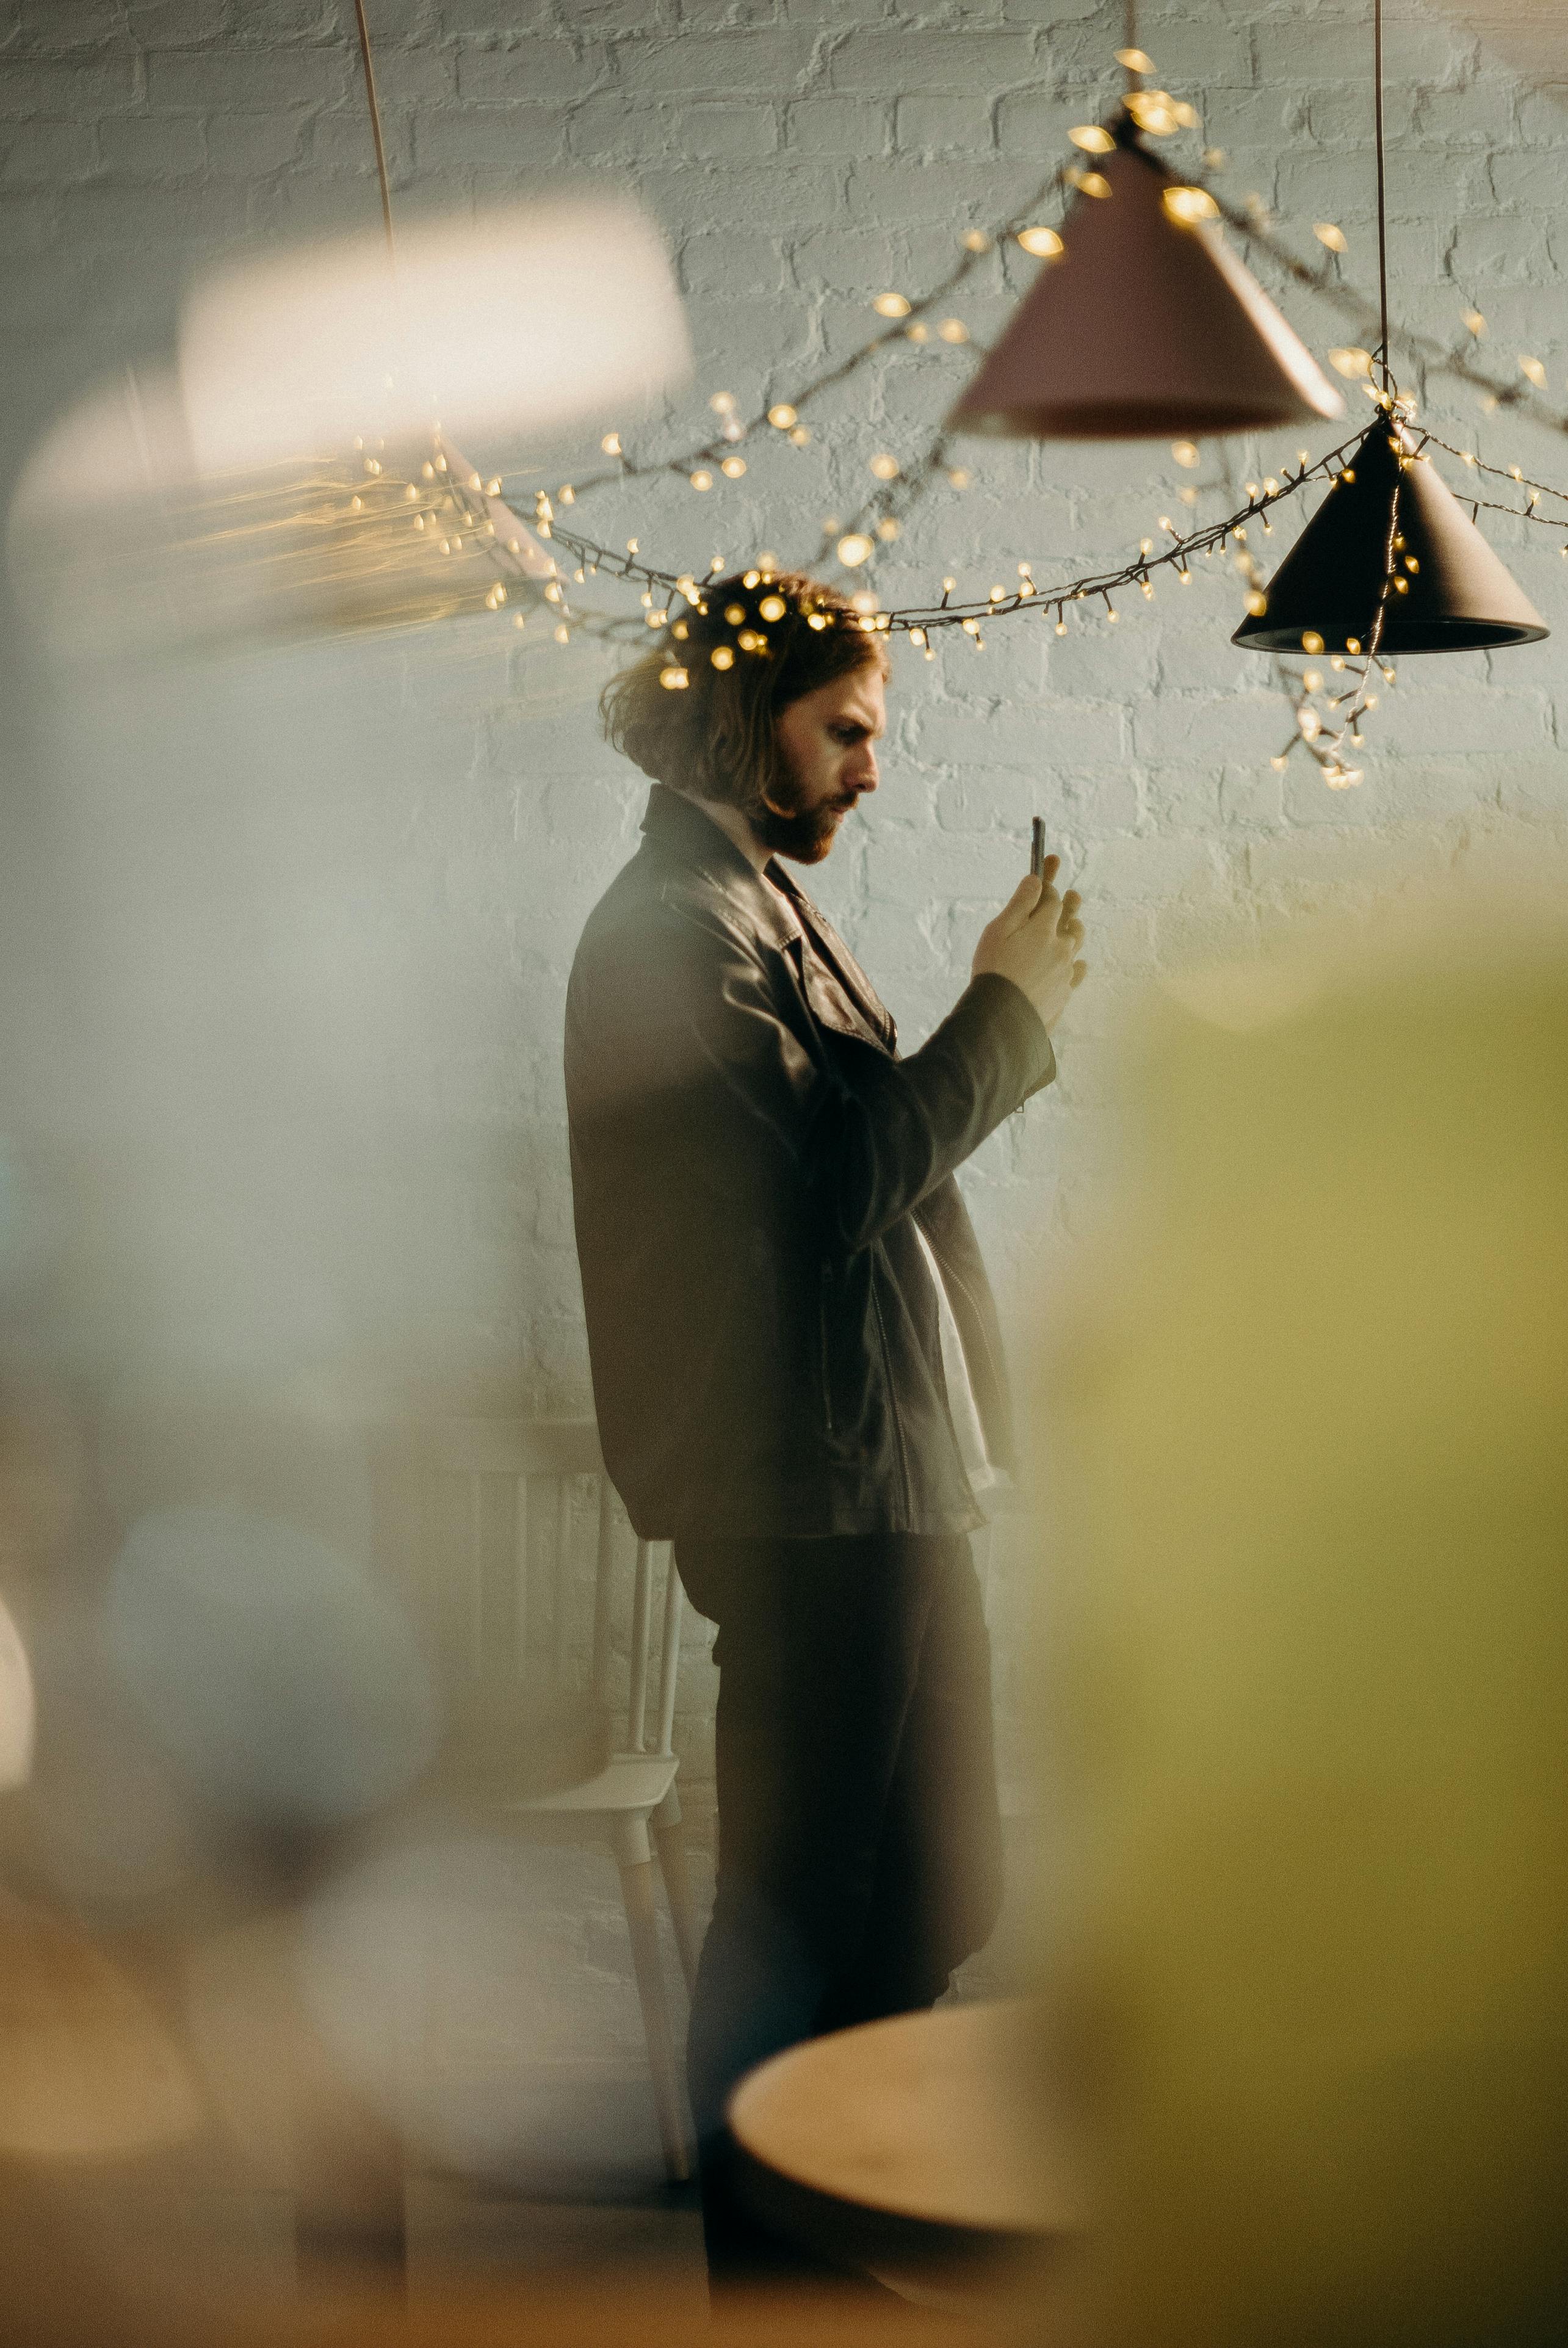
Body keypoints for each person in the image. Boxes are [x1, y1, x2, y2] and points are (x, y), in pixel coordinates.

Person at [563, 568, 1086, 2284]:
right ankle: (779, 2283)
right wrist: (1007, 1009)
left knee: (936, 1889)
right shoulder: (671, 931)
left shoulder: (755, 910)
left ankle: (834, 2234)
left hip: (890, 1484)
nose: (871, 766)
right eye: (844, 729)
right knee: (797, 1916)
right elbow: (828, 1190)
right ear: (744, 722)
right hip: (805, 1500)